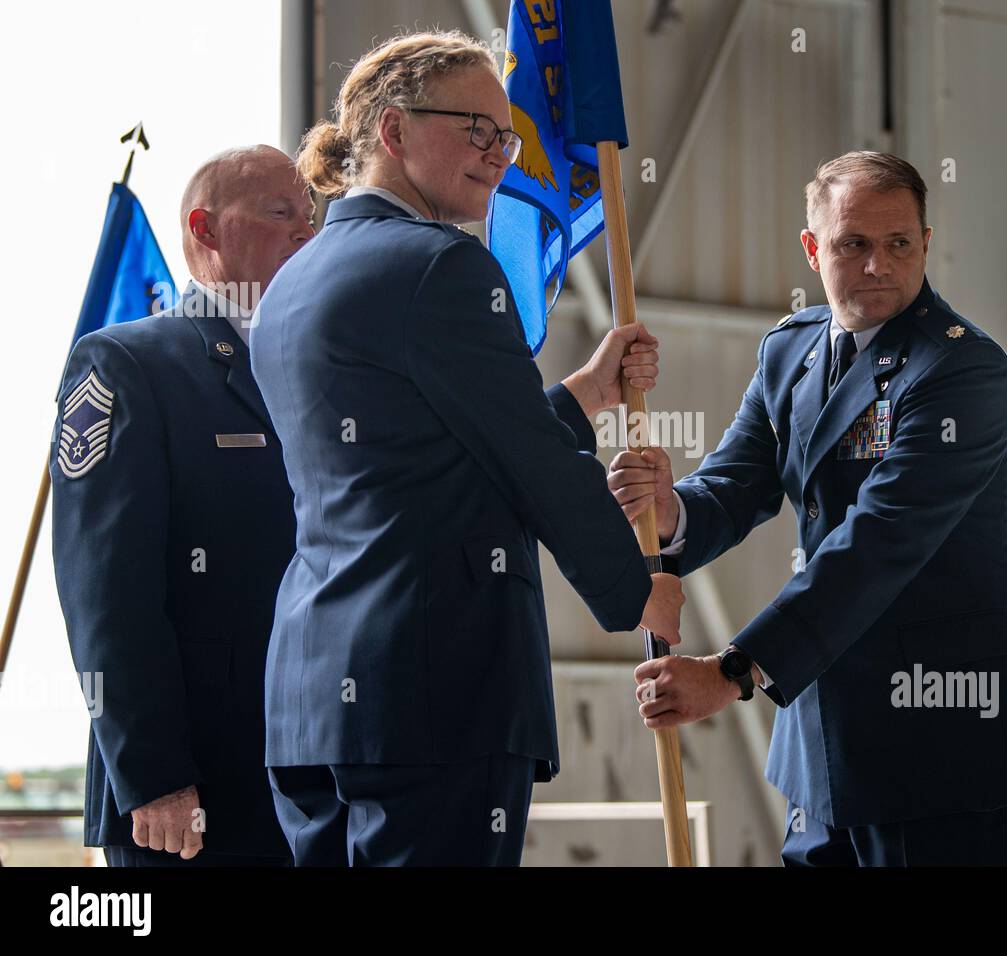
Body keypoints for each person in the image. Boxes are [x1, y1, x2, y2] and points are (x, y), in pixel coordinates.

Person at [250, 31, 684, 867]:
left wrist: (587, 392)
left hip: (314, 699)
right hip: (433, 692)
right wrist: (638, 593)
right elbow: (534, 468)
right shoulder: (443, 265)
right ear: (392, 131)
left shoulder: (292, 284)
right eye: (475, 129)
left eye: (507, 135)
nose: (500, 156)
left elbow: (435, 453)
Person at [609, 151, 1007, 866]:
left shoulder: (962, 370)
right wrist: (669, 512)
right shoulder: (791, 352)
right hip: (824, 741)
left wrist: (732, 672)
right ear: (813, 249)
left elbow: (877, 545)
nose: (878, 265)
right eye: (853, 244)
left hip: (944, 741)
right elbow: (737, 482)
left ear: (926, 245)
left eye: (899, 243)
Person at [51, 145, 314, 866]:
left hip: (317, 780)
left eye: (312, 215)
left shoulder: (323, 372)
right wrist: (155, 775)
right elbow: (104, 591)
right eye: (279, 211)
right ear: (204, 228)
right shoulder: (127, 364)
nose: (306, 230)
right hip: (192, 797)